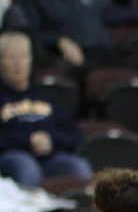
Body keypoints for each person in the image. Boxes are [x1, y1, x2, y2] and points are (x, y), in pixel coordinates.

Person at [0, 31, 91, 186]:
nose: (18, 64)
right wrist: (27, 141)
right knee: (27, 167)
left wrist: (51, 140)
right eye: (11, 58)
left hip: (50, 157)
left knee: (78, 166)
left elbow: (74, 134)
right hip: (12, 157)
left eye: (23, 57)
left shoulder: (45, 97)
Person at [15, 0, 138, 71]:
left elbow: (111, 13)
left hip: (108, 54)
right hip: (76, 60)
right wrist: (58, 40)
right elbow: (31, 34)